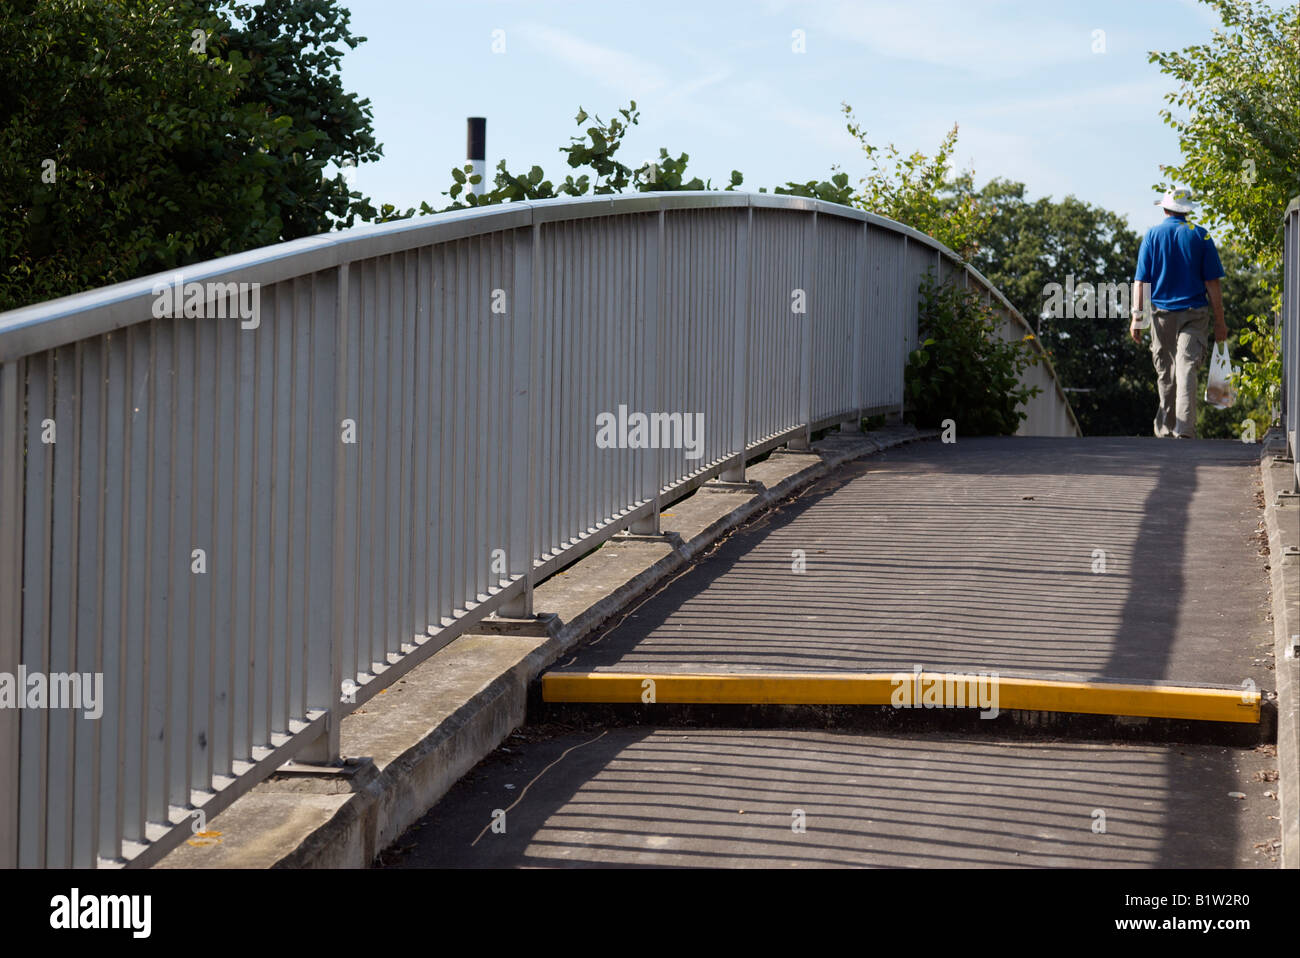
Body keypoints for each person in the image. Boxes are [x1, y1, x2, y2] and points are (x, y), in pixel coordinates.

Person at [1129, 188, 1228, 438]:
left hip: (1162, 315)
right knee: (1186, 367)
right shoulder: (1201, 236)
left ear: (1164, 208)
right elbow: (1212, 283)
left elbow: (1141, 282)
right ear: (1188, 210)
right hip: (1195, 313)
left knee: (1166, 370)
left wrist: (1137, 318)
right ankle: (1184, 430)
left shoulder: (1152, 235)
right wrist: (1220, 322)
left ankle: (1165, 429)